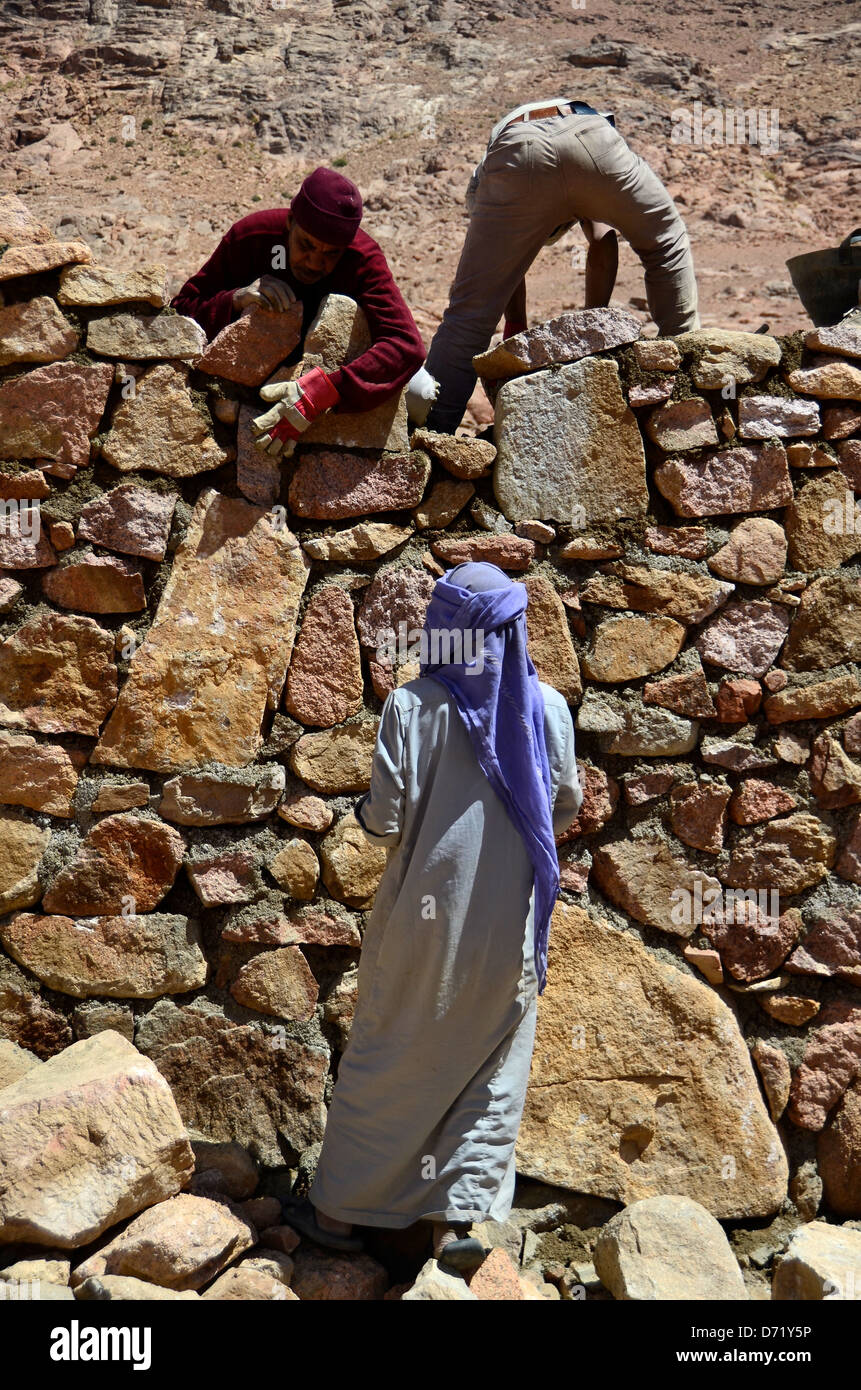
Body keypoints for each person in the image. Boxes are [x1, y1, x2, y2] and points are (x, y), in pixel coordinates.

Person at [281, 561, 583, 1268]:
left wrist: (363, 810)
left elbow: (383, 824)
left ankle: (336, 1213)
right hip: (507, 925)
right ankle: (461, 1224)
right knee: (493, 1065)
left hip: (421, 925)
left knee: (390, 1053)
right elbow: (561, 805)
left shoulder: (413, 707)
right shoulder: (546, 710)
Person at [422, 97, 701, 433]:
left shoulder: (484, 179)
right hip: (591, 137)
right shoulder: (577, 185)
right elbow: (602, 238)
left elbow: (502, 271)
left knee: (468, 315)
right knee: (665, 243)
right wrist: (592, 334)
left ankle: (431, 438)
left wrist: (517, 328)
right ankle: (688, 368)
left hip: (518, 148)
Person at [171, 166, 426, 455]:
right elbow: (181, 310)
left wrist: (323, 392)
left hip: (334, 372)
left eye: (331, 254)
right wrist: (234, 299)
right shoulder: (254, 236)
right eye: (306, 245)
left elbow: (406, 346)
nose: (315, 263)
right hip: (254, 375)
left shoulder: (362, 259)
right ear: (290, 222)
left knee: (422, 395)